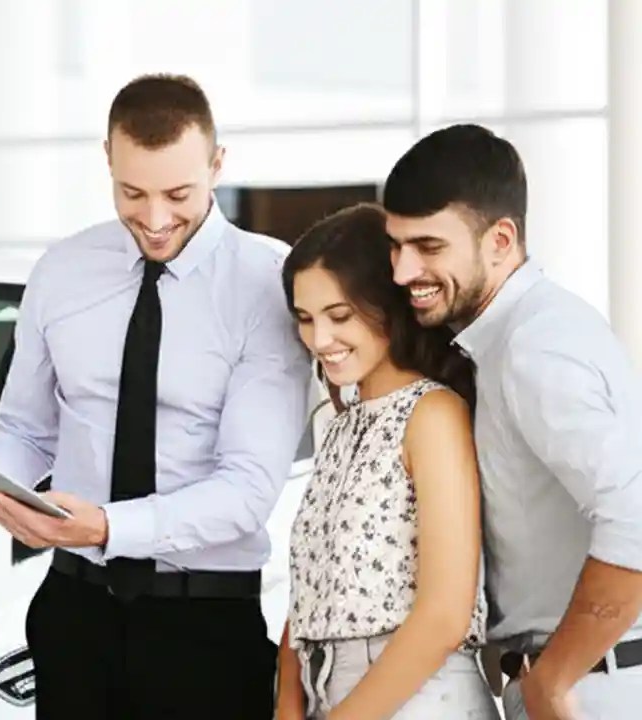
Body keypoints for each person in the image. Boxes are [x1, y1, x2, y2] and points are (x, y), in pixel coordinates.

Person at [0, 73, 312, 718]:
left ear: (217, 164)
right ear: (108, 161)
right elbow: (26, 432)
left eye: (178, 193)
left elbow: (246, 491)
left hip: (203, 625)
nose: (154, 220)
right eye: (133, 192)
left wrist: (109, 527)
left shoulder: (266, 283)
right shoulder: (62, 271)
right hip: (74, 615)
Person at [383, 122, 642, 719]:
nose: (401, 272)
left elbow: (632, 517)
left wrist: (553, 680)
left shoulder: (534, 348)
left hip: (591, 687)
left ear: (501, 239)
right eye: (396, 246)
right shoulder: (523, 335)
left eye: (428, 246)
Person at [274, 202, 498, 719]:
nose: (319, 340)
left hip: (416, 696)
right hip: (326, 688)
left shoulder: (434, 413)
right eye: (305, 319)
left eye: (339, 315)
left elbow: (444, 614)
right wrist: (289, 701)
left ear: (387, 305)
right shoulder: (339, 422)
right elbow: (309, 590)